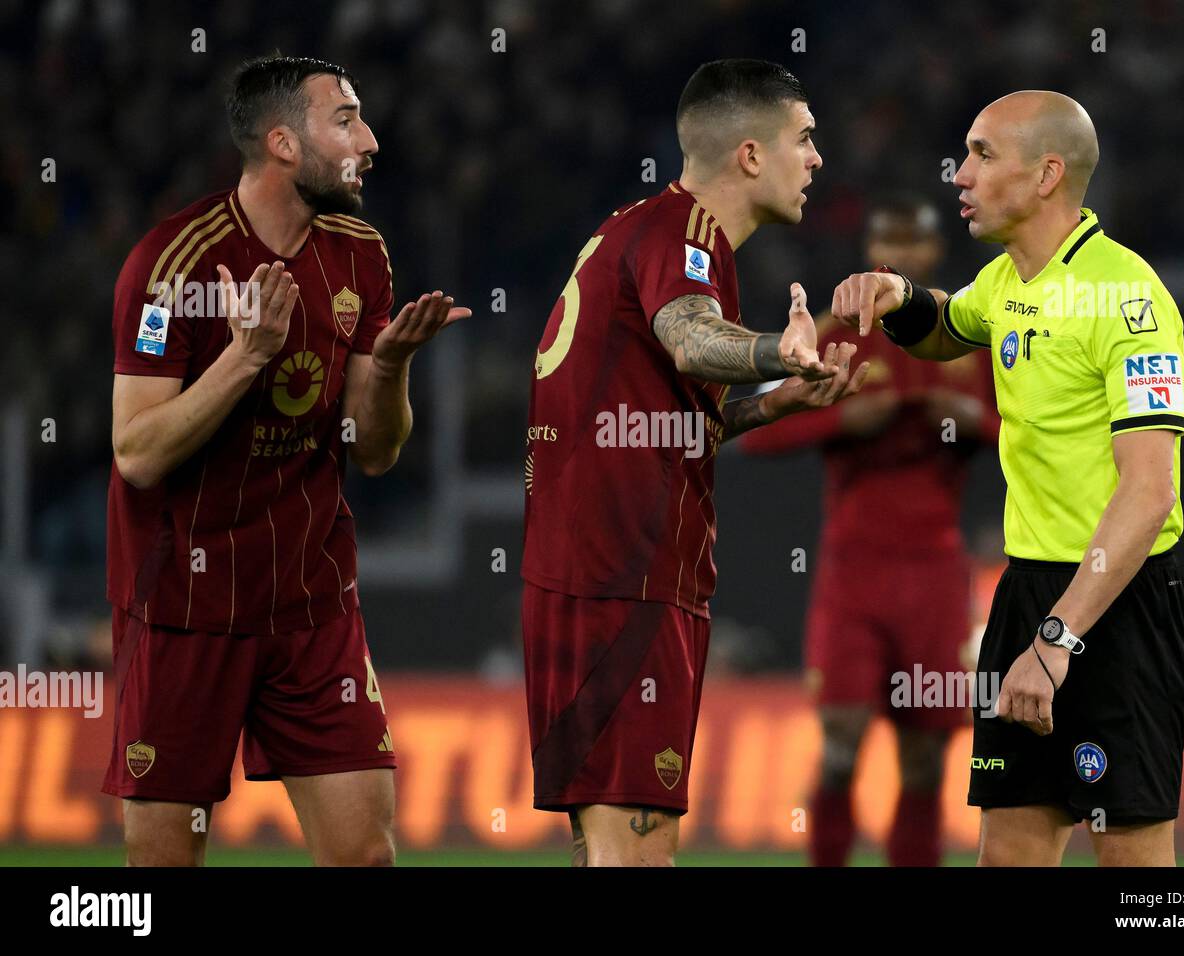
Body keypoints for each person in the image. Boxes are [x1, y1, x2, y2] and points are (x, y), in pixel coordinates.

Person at [104, 55, 469, 865]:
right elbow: (136, 454)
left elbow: (374, 451)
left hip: (312, 604)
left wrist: (396, 363)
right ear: (282, 145)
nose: (369, 141)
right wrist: (245, 359)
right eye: (345, 121)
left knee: (367, 858)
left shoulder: (360, 254)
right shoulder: (174, 268)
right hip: (183, 609)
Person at [521, 59, 871, 867]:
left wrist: (768, 404)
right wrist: (768, 353)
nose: (818, 159)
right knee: (640, 857)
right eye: (805, 139)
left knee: (605, 851)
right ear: (750, 155)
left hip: (589, 572)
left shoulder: (636, 228)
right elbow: (689, 334)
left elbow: (654, 421)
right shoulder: (688, 237)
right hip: (624, 580)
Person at [830, 91, 1184, 866]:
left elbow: (1150, 491)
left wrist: (1059, 640)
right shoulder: (1004, 282)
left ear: (1047, 175)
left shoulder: (1129, 300)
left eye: (983, 155)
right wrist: (894, 296)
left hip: (1114, 607)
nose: (960, 175)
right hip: (1026, 595)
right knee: (1008, 857)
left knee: (1135, 874)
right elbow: (946, 325)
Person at [742, 196, 998, 866]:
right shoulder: (835, 332)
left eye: (915, 243)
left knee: (926, 758)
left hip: (936, 573)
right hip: (854, 570)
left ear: (935, 254)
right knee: (838, 744)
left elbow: (1027, 429)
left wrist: (968, 419)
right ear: (871, 250)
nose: (903, 254)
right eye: (891, 240)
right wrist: (840, 421)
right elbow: (760, 431)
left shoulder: (968, 331)